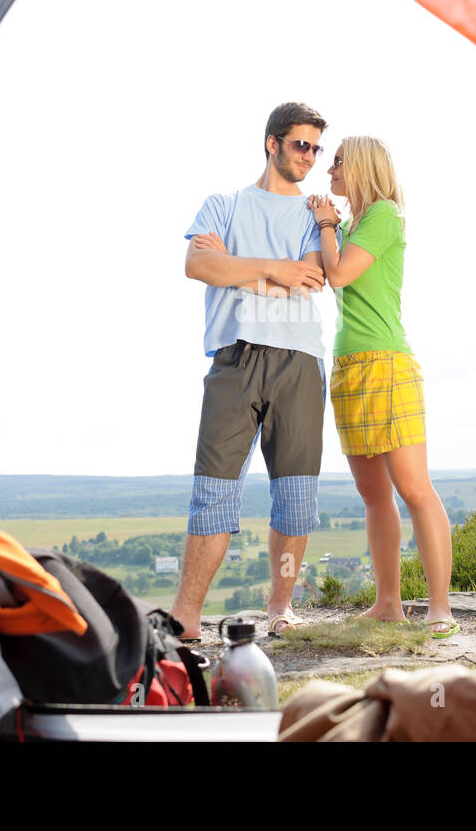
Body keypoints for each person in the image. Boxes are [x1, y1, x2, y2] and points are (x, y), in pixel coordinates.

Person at [171, 102, 330, 642]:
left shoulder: (315, 213)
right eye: (299, 144)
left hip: (299, 361)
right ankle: (185, 618)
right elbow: (199, 265)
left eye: (315, 147)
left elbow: (311, 278)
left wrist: (237, 270)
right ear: (272, 142)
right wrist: (271, 270)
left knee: (296, 496)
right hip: (234, 358)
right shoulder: (224, 205)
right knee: (213, 492)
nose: (308, 156)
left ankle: (280, 607)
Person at [306, 136, 457, 637]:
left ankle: (440, 608)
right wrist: (329, 225)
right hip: (349, 364)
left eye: (339, 161)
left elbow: (341, 274)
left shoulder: (385, 216)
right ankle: (388, 603)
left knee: (414, 488)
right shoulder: (351, 223)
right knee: (373, 493)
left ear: (363, 166)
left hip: (388, 363)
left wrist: (326, 224)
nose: (329, 169)